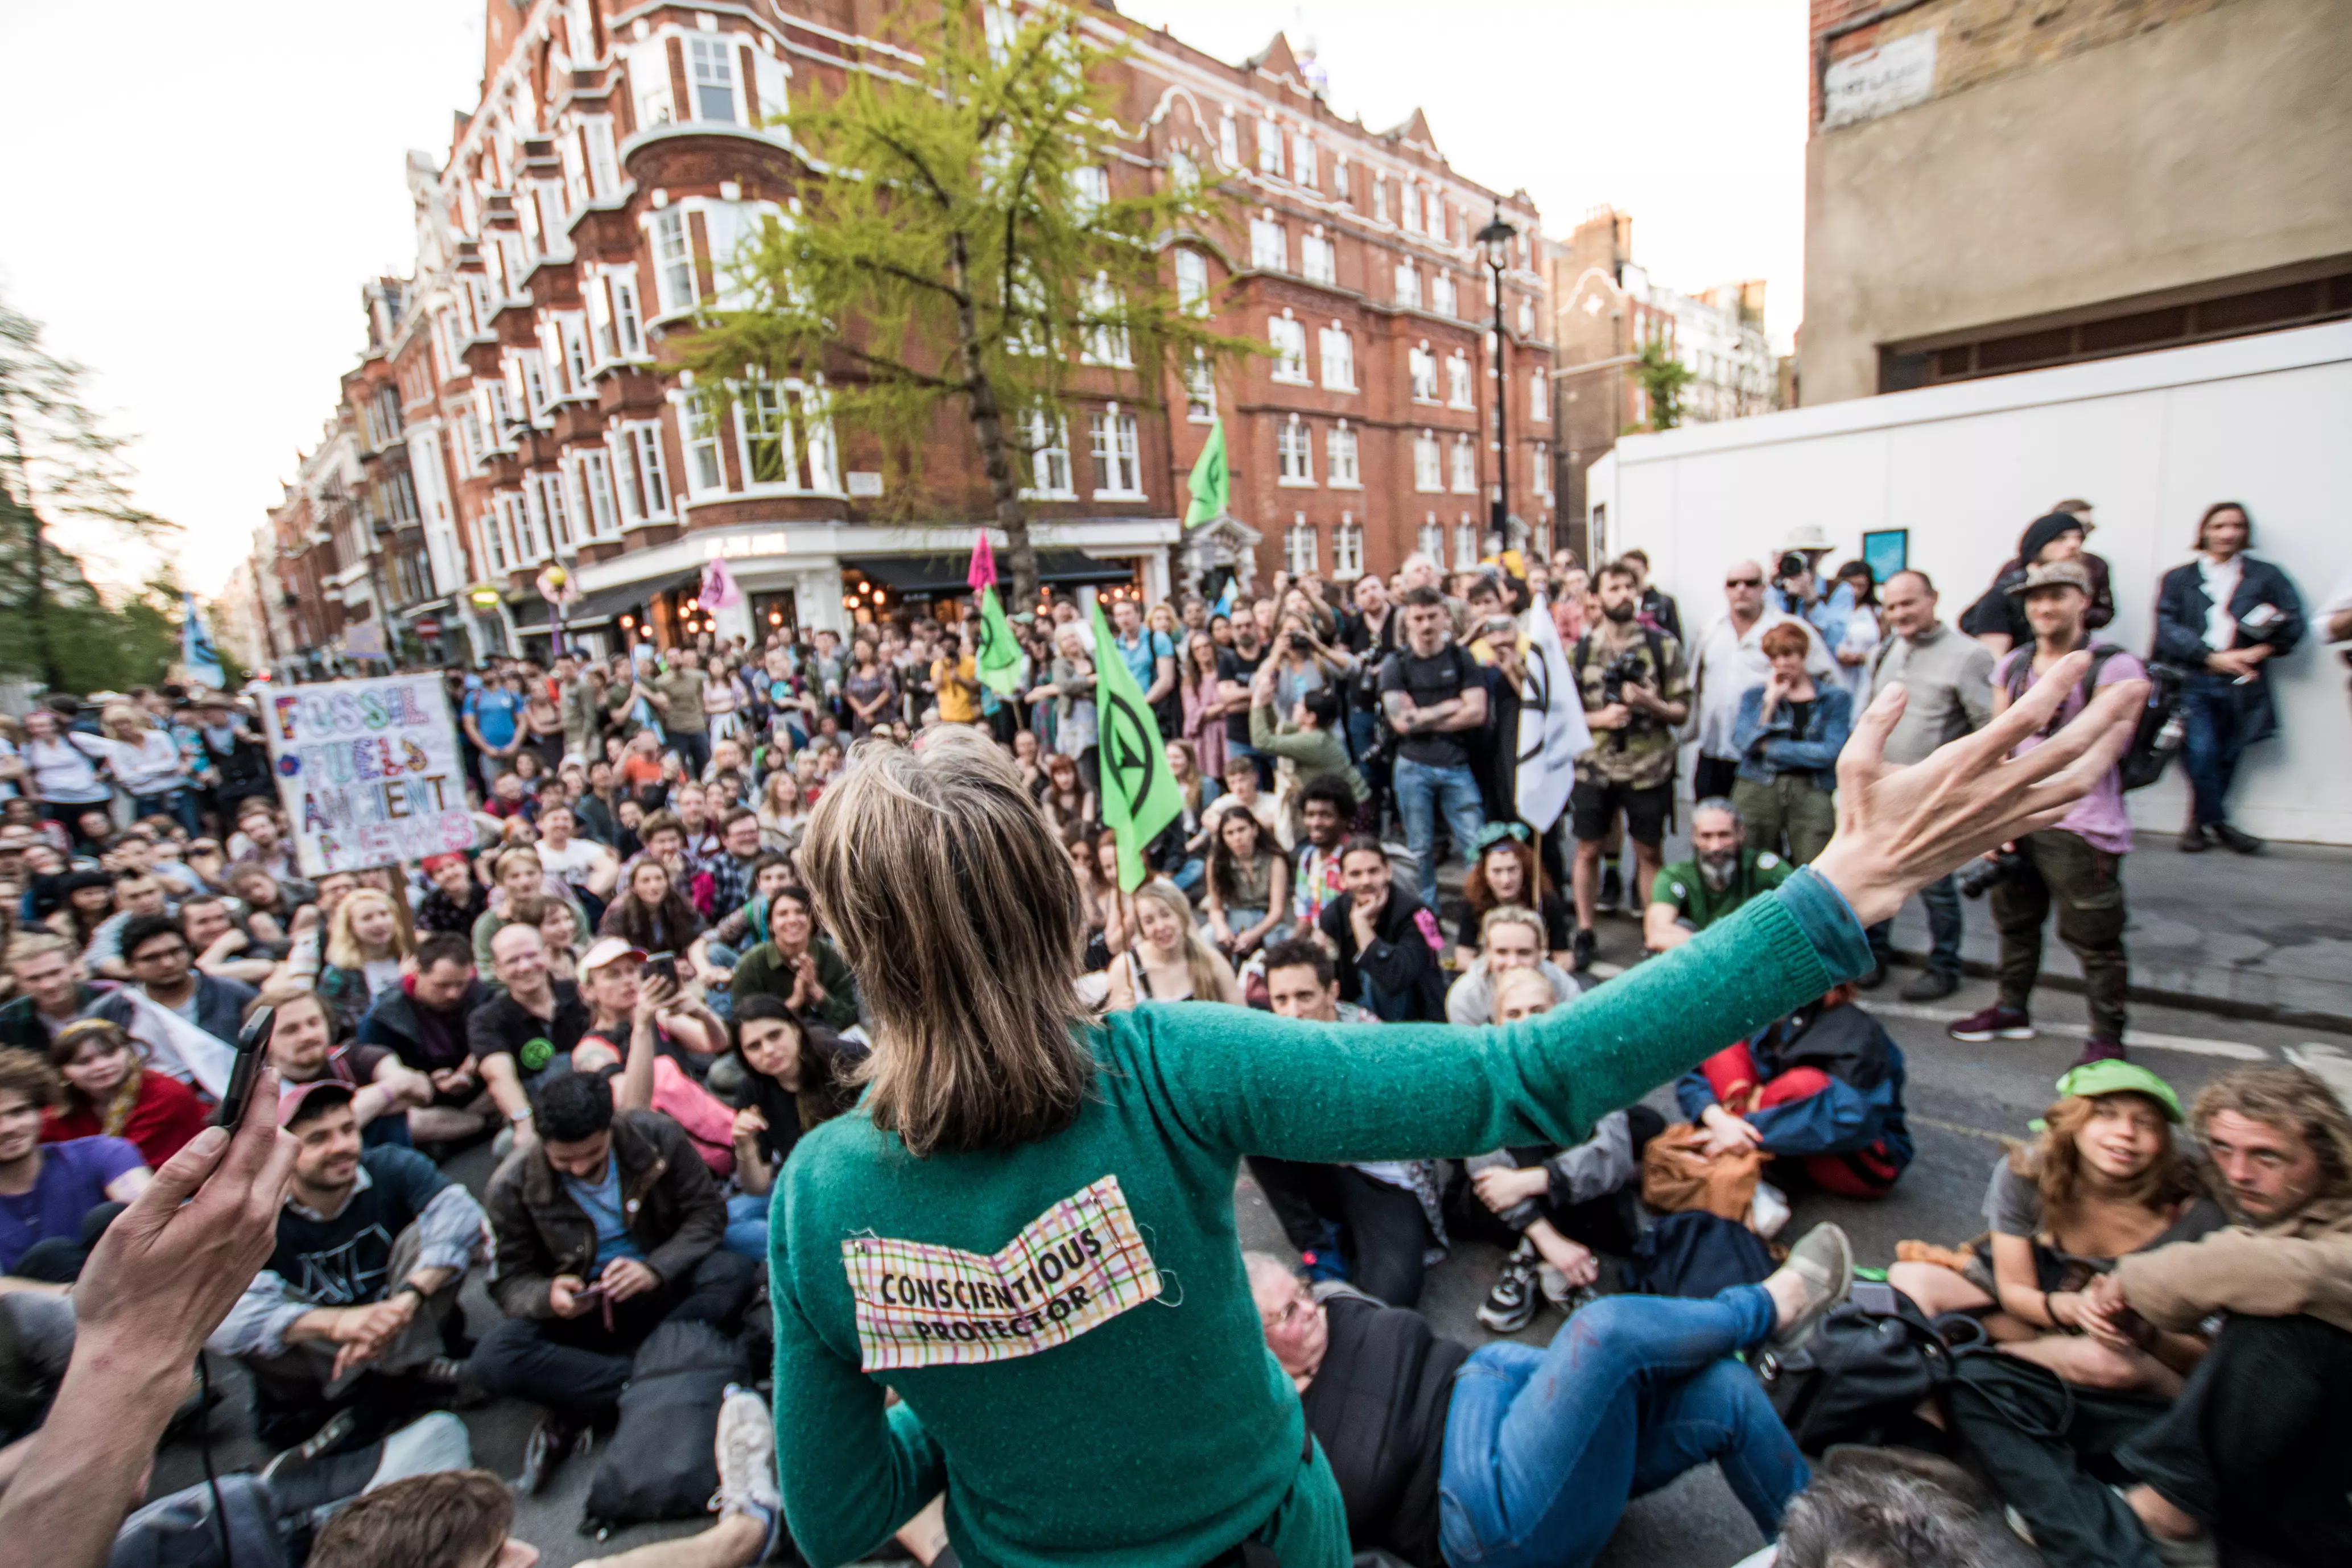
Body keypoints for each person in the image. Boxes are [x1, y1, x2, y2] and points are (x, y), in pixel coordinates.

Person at [758, 671, 2138, 1568]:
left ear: (855, 944)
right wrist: (1831, 892)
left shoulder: (820, 1193)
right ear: (1049, 898)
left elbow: (835, 1514)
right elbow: (1517, 1079)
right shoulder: (1162, 1064)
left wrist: (981, 1361)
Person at [1245, 1227, 1847, 1568]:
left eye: (1303, 1289)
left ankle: (1833, 1549)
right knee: (1602, 1332)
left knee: (1727, 1391)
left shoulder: (1339, 1304)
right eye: (1288, 1312)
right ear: (1256, 1350)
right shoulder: (1281, 1437)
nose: (1311, 1306)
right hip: (1484, 1507)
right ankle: (1771, 1305)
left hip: (1519, 1402)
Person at [2075, 1063, 2352, 1567]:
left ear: (2328, 1159)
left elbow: (2293, 1275)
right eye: (2224, 1149)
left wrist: (2129, 1280)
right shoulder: (2283, 1217)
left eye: (2267, 1155)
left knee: (2284, 1317)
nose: (2239, 1173)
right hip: (2283, 1463)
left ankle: (2168, 1512)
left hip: (2330, 1494)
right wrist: (2147, 1335)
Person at [473, 1069, 754, 1493]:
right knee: (494, 1358)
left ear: (611, 1126)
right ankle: (656, 1378)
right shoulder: (510, 1186)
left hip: (662, 1286)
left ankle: (597, 1396)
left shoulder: (655, 1135)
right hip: (586, 1307)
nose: (581, 1167)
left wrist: (655, 1267)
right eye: (565, 1161)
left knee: (730, 1273)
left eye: (593, 1153)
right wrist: (549, 1296)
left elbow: (707, 1215)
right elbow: (509, 1282)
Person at [207, 1081, 482, 1449]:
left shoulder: (389, 1166)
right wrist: (339, 1324)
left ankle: (380, 1396)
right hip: (325, 1355)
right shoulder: (256, 1215)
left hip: (400, 1314)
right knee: (240, 1309)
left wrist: (406, 1302)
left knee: (428, 1239)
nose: (343, 1147)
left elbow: (463, 1216)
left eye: (348, 1130)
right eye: (319, 1139)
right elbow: (217, 1318)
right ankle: (407, 1373)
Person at [1947, 560, 2144, 1064]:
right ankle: (2012, 1008)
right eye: (2035, 598)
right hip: (2017, 818)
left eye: (2057, 595)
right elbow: (1995, 746)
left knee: (2094, 936)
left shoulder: (2115, 666)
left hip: (2081, 823)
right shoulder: (2013, 665)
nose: (2044, 606)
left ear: (2084, 601)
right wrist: (1992, 819)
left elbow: (2105, 748)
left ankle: (2107, 1037)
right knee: (2015, 922)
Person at [1244, 936, 1449, 1306]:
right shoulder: (1276, 1040)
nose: (1292, 1012)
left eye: (1304, 996)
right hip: (1319, 1163)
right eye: (1281, 1000)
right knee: (1252, 1125)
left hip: (1379, 1175)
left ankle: (1347, 1236)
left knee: (1390, 1298)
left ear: (1332, 992)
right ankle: (1318, 1248)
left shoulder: (1368, 1040)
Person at [1464, 966, 1649, 1331]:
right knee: (1493, 1166)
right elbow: (1486, 1170)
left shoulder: (1592, 1066)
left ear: (1559, 1014)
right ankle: (1541, 1254)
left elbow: (1614, 1154)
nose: (1526, 1024)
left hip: (1577, 1195)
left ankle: (1533, 1260)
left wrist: (1535, 1181)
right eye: (1514, 1014)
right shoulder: (1483, 1074)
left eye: (1538, 1011)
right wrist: (1548, 1241)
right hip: (1516, 1210)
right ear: (1496, 1022)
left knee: (1590, 1147)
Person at [1862, 569, 1994, 998]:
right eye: (1892, 606)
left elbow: (1989, 729)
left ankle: (1944, 966)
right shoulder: (1886, 648)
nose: (1900, 613)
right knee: (1878, 880)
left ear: (1933, 599)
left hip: (1935, 798)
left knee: (1936, 890)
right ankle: (1874, 956)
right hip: (1884, 793)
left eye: (1909, 603)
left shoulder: (1969, 655)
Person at [2153, 501, 2305, 855]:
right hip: (2193, 678)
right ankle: (2219, 824)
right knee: (2201, 751)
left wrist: (2257, 652)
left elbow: (2294, 624)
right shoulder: (2180, 579)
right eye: (2219, 526)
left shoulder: (2266, 577)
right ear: (2205, 530)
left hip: (2244, 682)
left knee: (2229, 753)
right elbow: (2167, 629)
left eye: (2236, 526)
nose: (2228, 533)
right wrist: (2209, 657)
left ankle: (2197, 823)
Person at [1569, 560, 1691, 969]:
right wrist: (1599, 719)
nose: (1623, 594)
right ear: (1596, 597)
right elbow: (1561, 715)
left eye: (1629, 587)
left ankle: (1653, 934)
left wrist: (1648, 702)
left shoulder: (1663, 647)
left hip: (1647, 768)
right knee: (1588, 849)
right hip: (1594, 768)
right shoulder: (1581, 651)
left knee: (1649, 852)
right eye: (1614, 587)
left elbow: (1681, 712)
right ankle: (1585, 929)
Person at [723, 994, 864, 1261]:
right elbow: (756, 1186)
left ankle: (809, 1249)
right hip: (805, 1187)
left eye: (775, 1035)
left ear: (796, 1030)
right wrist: (745, 1146)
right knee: (728, 1220)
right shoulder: (752, 1091)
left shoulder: (846, 1058)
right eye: (754, 1046)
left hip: (860, 1178)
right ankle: (812, 1248)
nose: (768, 1050)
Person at [1690, 559, 1838, 804]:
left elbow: (1831, 684)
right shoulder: (1711, 630)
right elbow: (1695, 687)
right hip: (1714, 752)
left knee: (1756, 839)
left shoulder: (1788, 629)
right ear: (1725, 589)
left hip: (1764, 757)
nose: (1741, 589)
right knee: (1709, 830)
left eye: (1751, 583)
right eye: (1733, 583)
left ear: (1764, 587)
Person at [1379, 586, 1489, 910]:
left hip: (1456, 763)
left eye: (1432, 616)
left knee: (1475, 842)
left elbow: (1477, 713)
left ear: (1444, 616)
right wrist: (1452, 705)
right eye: (1419, 618)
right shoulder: (1395, 663)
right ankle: (1427, 915)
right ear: (1408, 621)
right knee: (1420, 849)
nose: (1426, 625)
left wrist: (1423, 716)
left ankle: (1479, 909)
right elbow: (1400, 722)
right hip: (1413, 765)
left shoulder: (1461, 657)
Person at [0, 1053, 152, 1277]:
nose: (8, 1128)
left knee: (112, 1216)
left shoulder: (102, 1152)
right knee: (52, 1257)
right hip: (33, 1306)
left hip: (130, 1285)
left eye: (19, 1112)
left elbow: (151, 1211)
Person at [354, 932, 498, 1146]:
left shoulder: (483, 996)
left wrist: (482, 1056)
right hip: (422, 1103)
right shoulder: (384, 1018)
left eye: (461, 985)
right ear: (418, 973)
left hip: (481, 1090)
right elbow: (373, 1076)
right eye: (442, 986)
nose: (454, 994)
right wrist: (430, 1083)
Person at [1729, 620, 1852, 867]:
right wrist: (1770, 702)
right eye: (1774, 657)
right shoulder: (1756, 695)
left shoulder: (1834, 698)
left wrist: (1769, 749)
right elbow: (1742, 742)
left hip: (1812, 786)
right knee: (1752, 859)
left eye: (1788, 655)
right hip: (1759, 783)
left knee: (1815, 861)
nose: (1782, 663)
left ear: (1803, 654)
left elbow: (1829, 752)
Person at [466, 922, 593, 1153]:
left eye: (531, 955)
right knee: (505, 1147)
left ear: (545, 954)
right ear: (498, 970)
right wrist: (524, 1122)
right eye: (512, 961)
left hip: (596, 1096)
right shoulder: (486, 1019)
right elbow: (498, 1075)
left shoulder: (581, 993)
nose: (524, 966)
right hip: (539, 1111)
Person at [262, 986, 432, 1138]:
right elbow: (303, 1138)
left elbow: (420, 1089)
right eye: (290, 1030)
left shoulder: (348, 1058)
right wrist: (389, 1092)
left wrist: (380, 1098)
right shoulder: (262, 1093)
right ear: (264, 1042)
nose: (308, 1035)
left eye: (314, 1023)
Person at [39, 1018, 208, 1170]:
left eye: (110, 1054)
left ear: (130, 1052)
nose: (100, 1066)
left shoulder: (166, 1094)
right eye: (83, 1062)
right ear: (63, 1072)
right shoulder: (61, 1111)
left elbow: (127, 1168)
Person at [1317, 835, 1447, 1023]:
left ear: (1388, 871)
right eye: (1355, 874)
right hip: (1354, 1011)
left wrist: (1361, 925)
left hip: (1413, 1017)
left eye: (1373, 871)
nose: (1366, 881)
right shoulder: (1333, 914)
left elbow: (1395, 979)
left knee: (1376, 975)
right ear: (1342, 880)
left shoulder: (1414, 913)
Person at [1644, 797, 1793, 954]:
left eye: (1724, 835)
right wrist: (1719, 952)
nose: (1716, 847)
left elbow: (1805, 903)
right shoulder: (1676, 876)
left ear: (1741, 833)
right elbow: (1657, 934)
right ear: (1694, 837)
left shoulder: (1763, 867)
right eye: (1706, 836)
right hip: (1700, 962)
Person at [1961, 509, 2116, 657]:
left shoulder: (2093, 569)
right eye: (2060, 539)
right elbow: (1995, 665)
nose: (2073, 545)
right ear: (2039, 545)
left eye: (2079, 538)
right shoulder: (2003, 594)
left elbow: (2105, 612)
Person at [108, 911, 259, 1045]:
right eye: (151, 958)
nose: (168, 963)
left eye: (175, 952)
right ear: (129, 965)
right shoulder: (116, 1008)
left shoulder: (232, 994)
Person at [728, 884, 860, 1034]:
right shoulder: (751, 964)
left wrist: (816, 991)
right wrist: (794, 1002)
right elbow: (743, 1026)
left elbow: (850, 1020)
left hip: (827, 1041)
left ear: (811, 921)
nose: (792, 920)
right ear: (771, 925)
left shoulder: (832, 957)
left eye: (800, 912)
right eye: (783, 914)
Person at [1104, 881, 1243, 1008]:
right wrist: (1119, 1014)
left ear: (1182, 916)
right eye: (1149, 921)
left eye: (1166, 915)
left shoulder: (1211, 960)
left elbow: (1242, 1018)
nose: (1160, 926)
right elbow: (1113, 1028)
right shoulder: (1125, 968)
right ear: (1142, 930)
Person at [1442, 905, 1580, 1028]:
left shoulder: (1564, 988)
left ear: (1540, 954)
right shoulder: (1465, 998)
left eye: (1524, 952)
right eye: (1502, 952)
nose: (1513, 963)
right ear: (1487, 954)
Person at [1455, 822, 1569, 970]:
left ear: (1524, 869)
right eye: (1497, 871)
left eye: (1512, 870)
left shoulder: (1545, 900)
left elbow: (1565, 958)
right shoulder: (1474, 902)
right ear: (1484, 874)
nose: (1506, 880)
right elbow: (1463, 956)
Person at [316, 888, 417, 1041]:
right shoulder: (339, 973)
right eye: (367, 918)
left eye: (384, 914)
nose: (379, 923)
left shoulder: (409, 957)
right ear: (351, 927)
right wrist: (400, 984)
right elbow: (335, 1025)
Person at [1201, 806, 1289, 961]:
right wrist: (1221, 928)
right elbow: (1215, 908)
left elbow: (1277, 911)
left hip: (1267, 923)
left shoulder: (1275, 860)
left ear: (1254, 830)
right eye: (1230, 833)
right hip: (1233, 918)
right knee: (1204, 942)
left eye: (1242, 830)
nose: (1237, 838)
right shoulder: (1215, 862)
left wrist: (1254, 935)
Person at [1, 935, 103, 1058]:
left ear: (74, 966)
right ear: (17, 982)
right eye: (33, 979)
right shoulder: (6, 1021)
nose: (48, 986)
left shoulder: (113, 997)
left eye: (55, 973)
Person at [461, 672, 526, 789]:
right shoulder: (474, 697)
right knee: (495, 787)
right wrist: (486, 748)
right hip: (489, 752)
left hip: (513, 749)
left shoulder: (511, 695)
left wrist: (515, 744)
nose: (486, 675)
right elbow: (469, 725)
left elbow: (522, 721)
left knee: (520, 784)